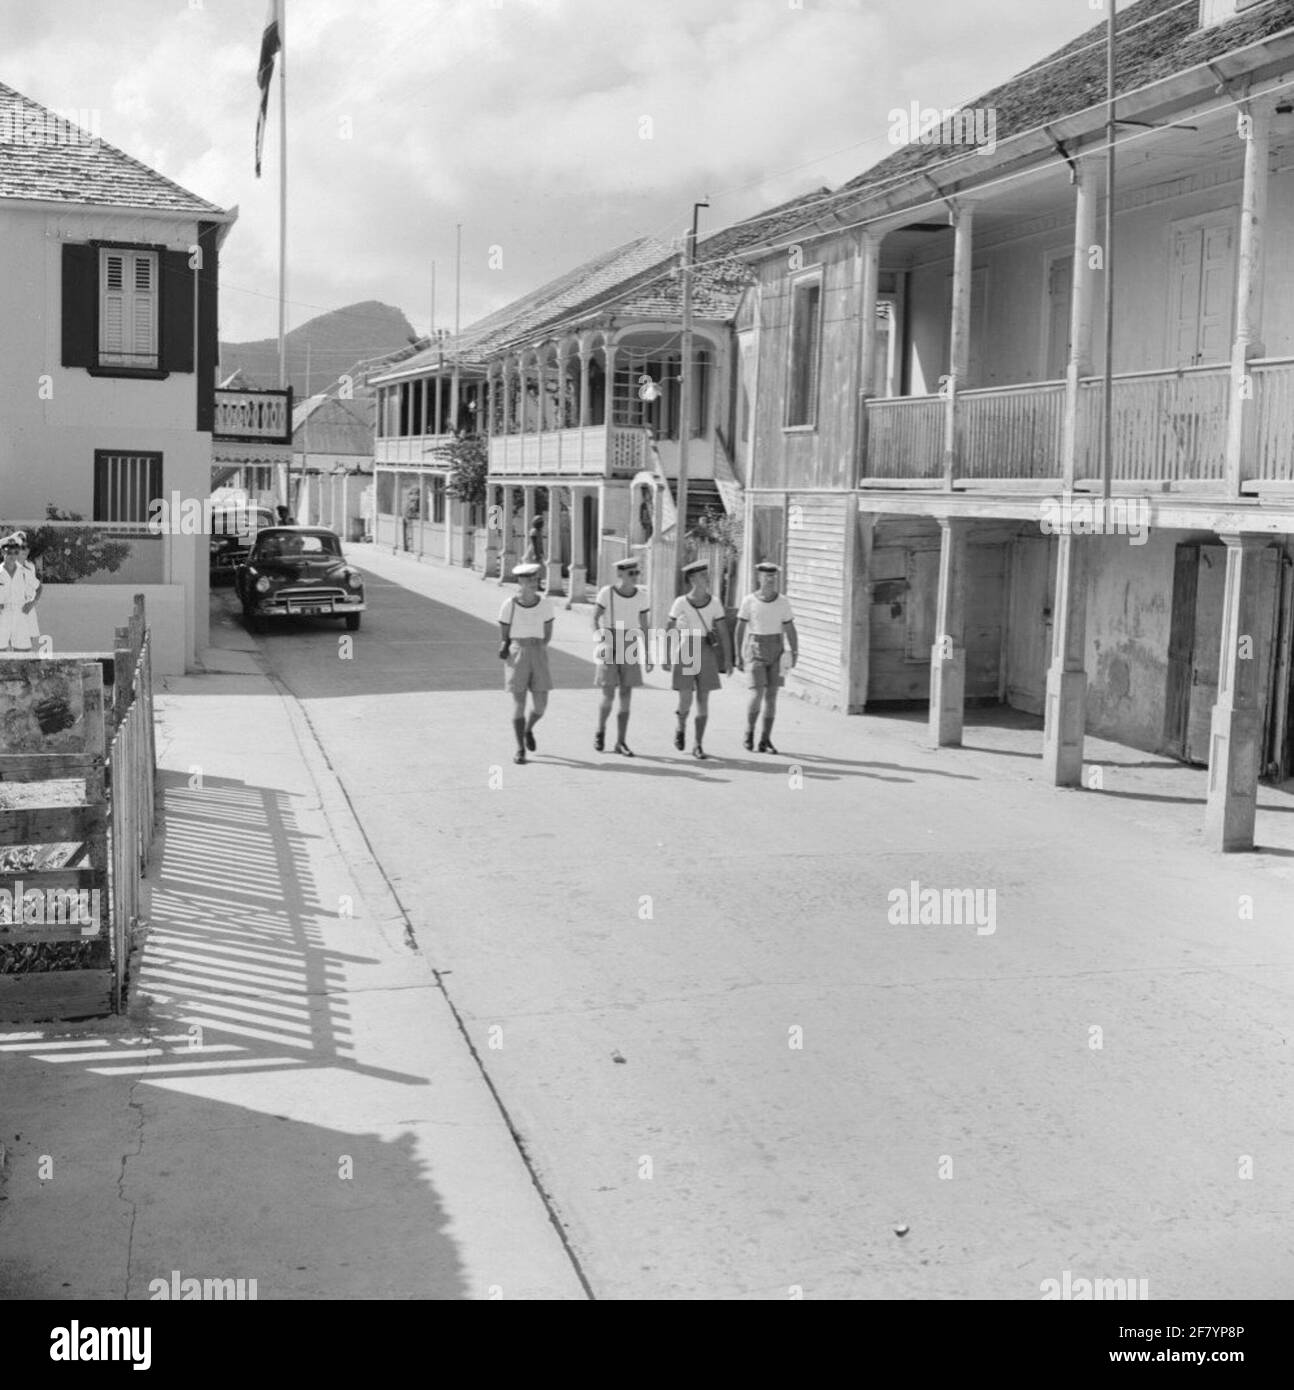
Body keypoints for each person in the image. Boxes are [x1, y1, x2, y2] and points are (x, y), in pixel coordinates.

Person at [663, 559, 730, 759]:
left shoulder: (715, 602)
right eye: (702, 575)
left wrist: (727, 659)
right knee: (686, 699)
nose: (706, 578)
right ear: (692, 579)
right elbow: (670, 628)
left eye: (706, 574)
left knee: (703, 699)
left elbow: (724, 631)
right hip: (687, 649)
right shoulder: (681, 602)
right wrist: (667, 656)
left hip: (706, 650)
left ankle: (698, 744)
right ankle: (681, 726)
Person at [734, 561, 798, 753]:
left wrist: (794, 651)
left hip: (776, 649)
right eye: (766, 576)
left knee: (771, 696)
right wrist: (738, 654)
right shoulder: (749, 601)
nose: (769, 580)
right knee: (756, 693)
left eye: (772, 577)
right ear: (759, 578)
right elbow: (740, 627)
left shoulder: (783, 602)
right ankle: (749, 731)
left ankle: (765, 738)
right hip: (756, 647)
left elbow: (789, 628)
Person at [593, 556, 652, 755]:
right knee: (608, 694)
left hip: (630, 643)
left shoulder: (641, 596)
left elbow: (644, 625)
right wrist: (599, 638)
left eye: (637, 572)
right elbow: (595, 617)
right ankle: (600, 730)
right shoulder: (606, 592)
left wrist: (648, 654)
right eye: (631, 573)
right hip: (610, 640)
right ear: (620, 574)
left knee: (626, 695)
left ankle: (621, 742)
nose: (635, 576)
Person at [498, 562, 555, 765]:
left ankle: (528, 729)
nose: (534, 583)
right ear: (520, 581)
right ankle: (520, 748)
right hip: (517, 654)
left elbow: (548, 632)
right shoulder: (509, 605)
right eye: (529, 580)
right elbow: (504, 634)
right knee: (519, 704)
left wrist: (538, 647)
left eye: (535, 579)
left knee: (541, 706)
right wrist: (509, 647)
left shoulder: (546, 604)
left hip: (538, 652)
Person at [0, 531, 42, 653]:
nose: (12, 555)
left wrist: (32, 603)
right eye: (9, 552)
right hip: (4, 613)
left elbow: (38, 587)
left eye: (15, 552)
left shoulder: (26, 569)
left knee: (24, 649)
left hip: (22, 611)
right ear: (3, 552)